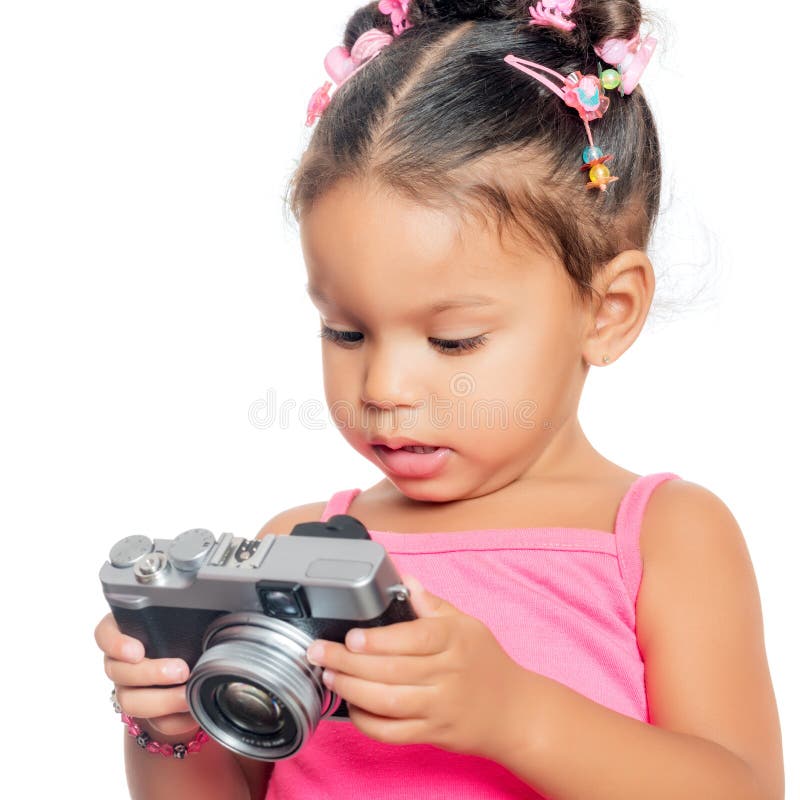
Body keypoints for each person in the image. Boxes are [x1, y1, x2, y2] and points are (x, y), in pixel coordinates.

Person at [94, 1, 785, 798]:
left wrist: (515, 714)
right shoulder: (294, 549)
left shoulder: (662, 536)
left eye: (454, 342)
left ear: (607, 310)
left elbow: (743, 787)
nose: (385, 389)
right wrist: (167, 726)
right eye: (346, 333)